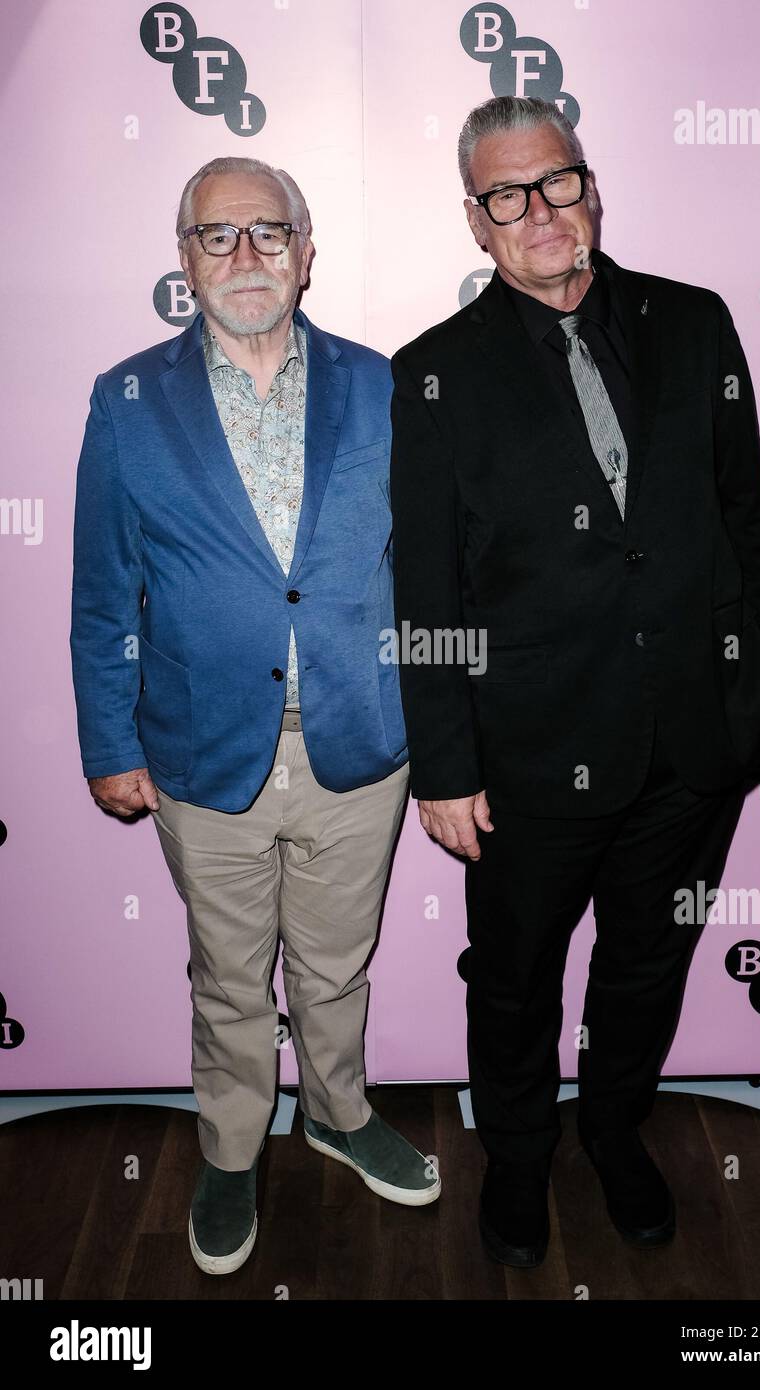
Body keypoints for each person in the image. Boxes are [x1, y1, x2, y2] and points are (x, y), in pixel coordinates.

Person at [389, 96, 760, 1268]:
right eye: (505, 197)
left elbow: (741, 523)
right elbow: (426, 593)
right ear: (476, 222)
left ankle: (614, 1134)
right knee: (511, 982)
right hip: (523, 758)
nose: (539, 214)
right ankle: (515, 1161)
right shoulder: (433, 378)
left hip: (689, 745)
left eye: (554, 182)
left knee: (642, 964)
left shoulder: (696, 324)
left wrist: (748, 693)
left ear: (590, 186)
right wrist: (446, 764)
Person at [70, 154, 440, 1278]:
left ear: (306, 251)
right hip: (198, 748)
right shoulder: (128, 400)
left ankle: (335, 1108)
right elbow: (103, 590)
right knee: (229, 975)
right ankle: (230, 1150)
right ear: (183, 258)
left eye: (268, 233)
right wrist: (108, 740)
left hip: (358, 742)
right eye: (217, 235)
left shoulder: (384, 386)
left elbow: (436, 569)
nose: (244, 255)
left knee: (335, 965)